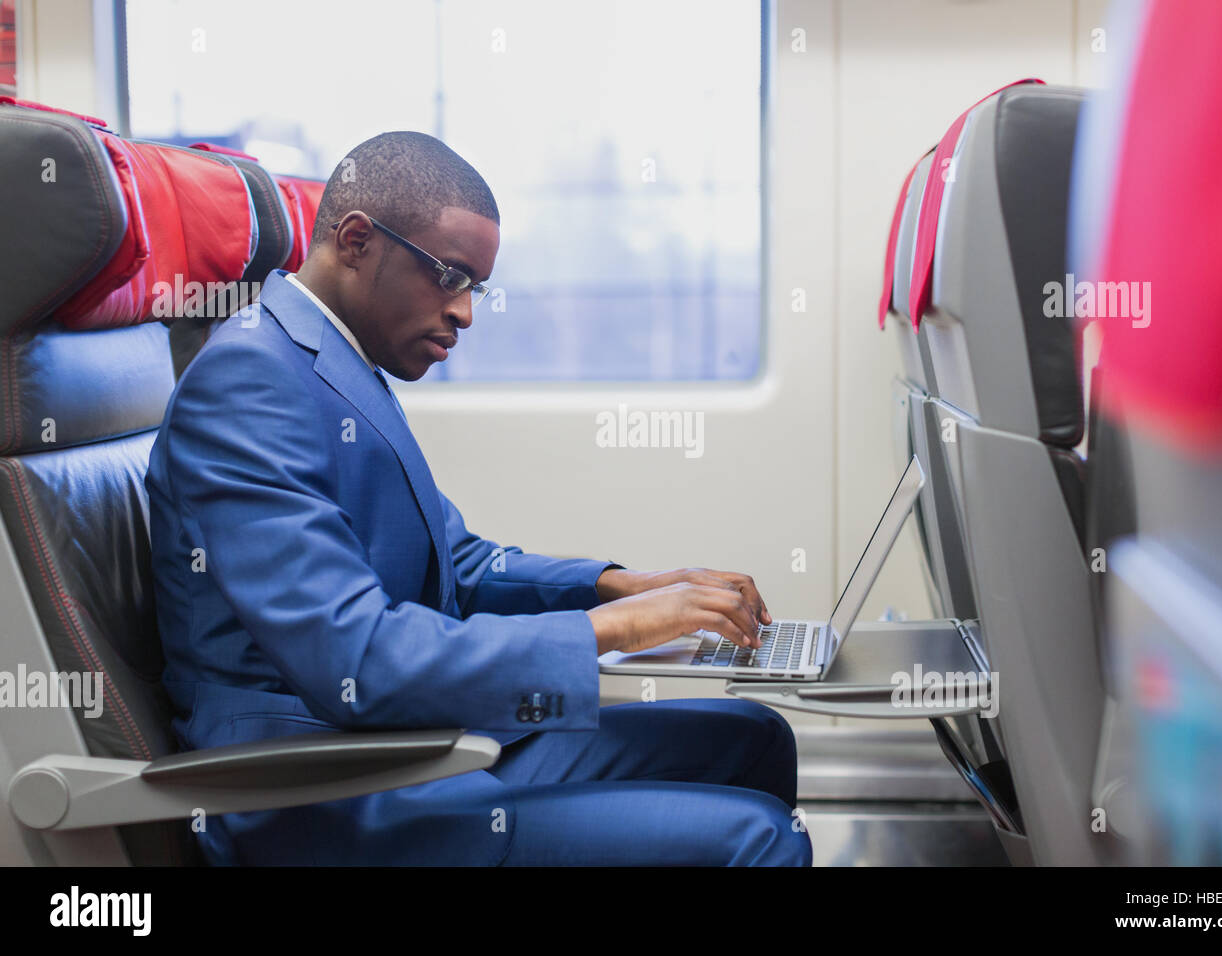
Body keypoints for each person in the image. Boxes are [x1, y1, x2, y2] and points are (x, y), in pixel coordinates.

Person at [146, 131, 812, 866]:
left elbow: (454, 562)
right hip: (317, 795)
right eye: (449, 277)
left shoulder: (338, 360)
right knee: (756, 840)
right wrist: (613, 629)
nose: (465, 313)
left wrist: (618, 586)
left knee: (750, 737)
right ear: (358, 241)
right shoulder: (249, 379)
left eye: (476, 288)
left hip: (405, 750)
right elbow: (359, 657)